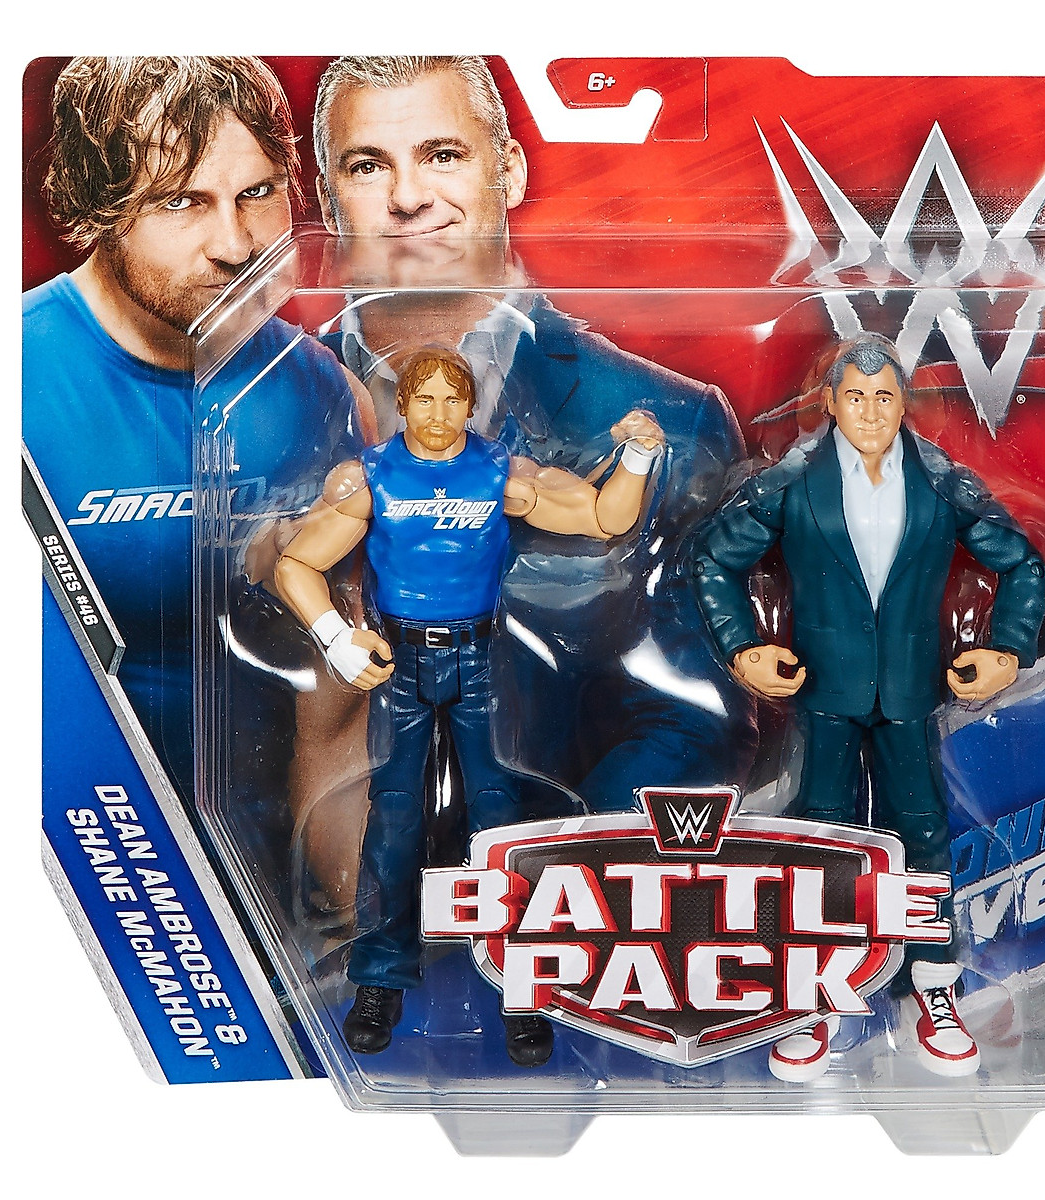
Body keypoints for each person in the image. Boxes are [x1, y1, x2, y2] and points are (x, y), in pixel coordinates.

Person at [310, 55, 756, 814]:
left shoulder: (670, 422)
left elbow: (695, 719)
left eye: (442, 155)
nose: (409, 198)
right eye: (368, 166)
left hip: (557, 859)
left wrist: (545, 866)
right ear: (327, 201)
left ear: (509, 172)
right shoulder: (271, 405)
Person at [22, 57, 371, 873]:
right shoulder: (12, 374)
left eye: (257, 193)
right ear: (102, 206)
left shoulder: (319, 388)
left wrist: (342, 923)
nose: (236, 245)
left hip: (256, 883)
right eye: (181, 201)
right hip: (64, 860)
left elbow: (339, 708)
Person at [273, 348, 666, 1065]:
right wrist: (336, 637)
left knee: (501, 820)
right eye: (423, 399)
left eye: (452, 399)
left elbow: (604, 517)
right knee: (393, 821)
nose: (438, 414)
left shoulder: (500, 473)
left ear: (470, 405)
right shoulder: (370, 478)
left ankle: (524, 986)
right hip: (398, 661)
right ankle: (379, 980)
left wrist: (637, 457)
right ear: (402, 404)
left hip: (478, 656)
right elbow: (296, 563)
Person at [691, 335, 1045, 1080]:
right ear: (830, 401)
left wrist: (1006, 649)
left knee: (923, 834)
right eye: (855, 396)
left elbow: (1021, 561)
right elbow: (716, 557)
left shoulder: (940, 479)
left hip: (913, 691)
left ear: (904, 402)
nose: (871, 412)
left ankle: (932, 986)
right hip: (823, 690)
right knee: (821, 835)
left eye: (885, 396)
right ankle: (815, 991)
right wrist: (743, 647)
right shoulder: (795, 478)